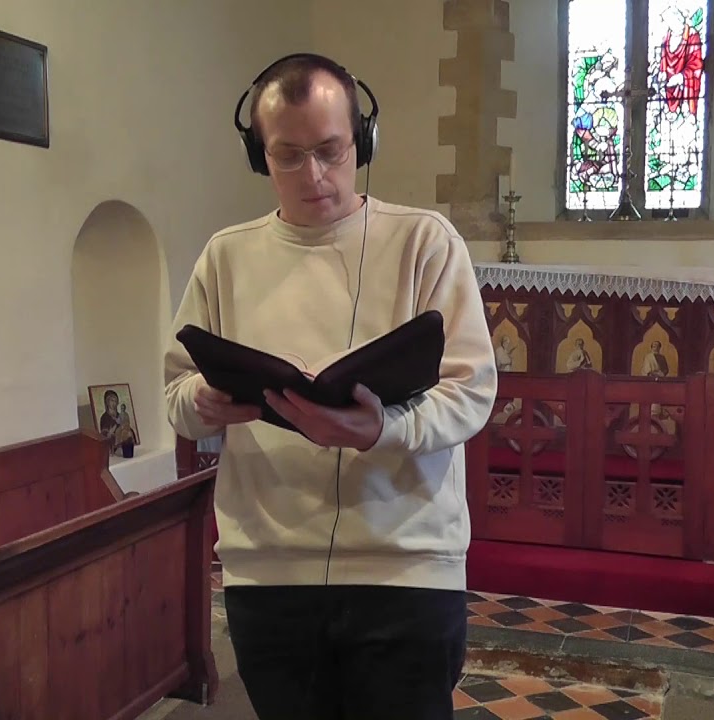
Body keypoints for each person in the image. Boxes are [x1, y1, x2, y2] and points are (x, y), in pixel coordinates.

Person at [162, 53, 498, 719]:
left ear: (362, 142)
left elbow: (471, 390)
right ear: (259, 155)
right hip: (269, 573)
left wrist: (383, 428)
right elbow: (176, 391)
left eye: (330, 150)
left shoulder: (425, 243)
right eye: (288, 155)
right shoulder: (226, 256)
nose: (313, 175)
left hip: (405, 570)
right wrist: (203, 402)